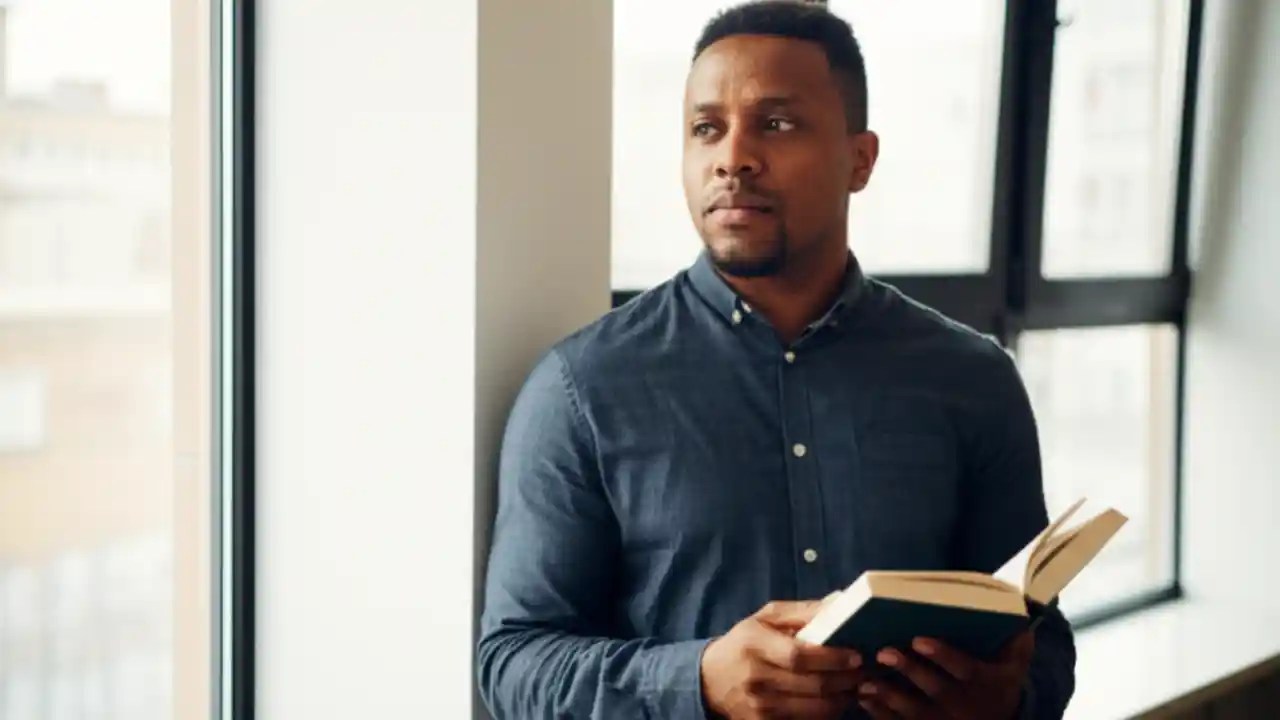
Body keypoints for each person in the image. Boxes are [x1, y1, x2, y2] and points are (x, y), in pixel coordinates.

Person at [476, 1, 1075, 717]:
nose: (733, 157)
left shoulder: (972, 380)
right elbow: (512, 662)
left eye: (776, 123)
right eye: (706, 129)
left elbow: (1045, 645)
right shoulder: (580, 389)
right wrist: (698, 680)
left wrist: (1007, 697)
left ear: (860, 159)